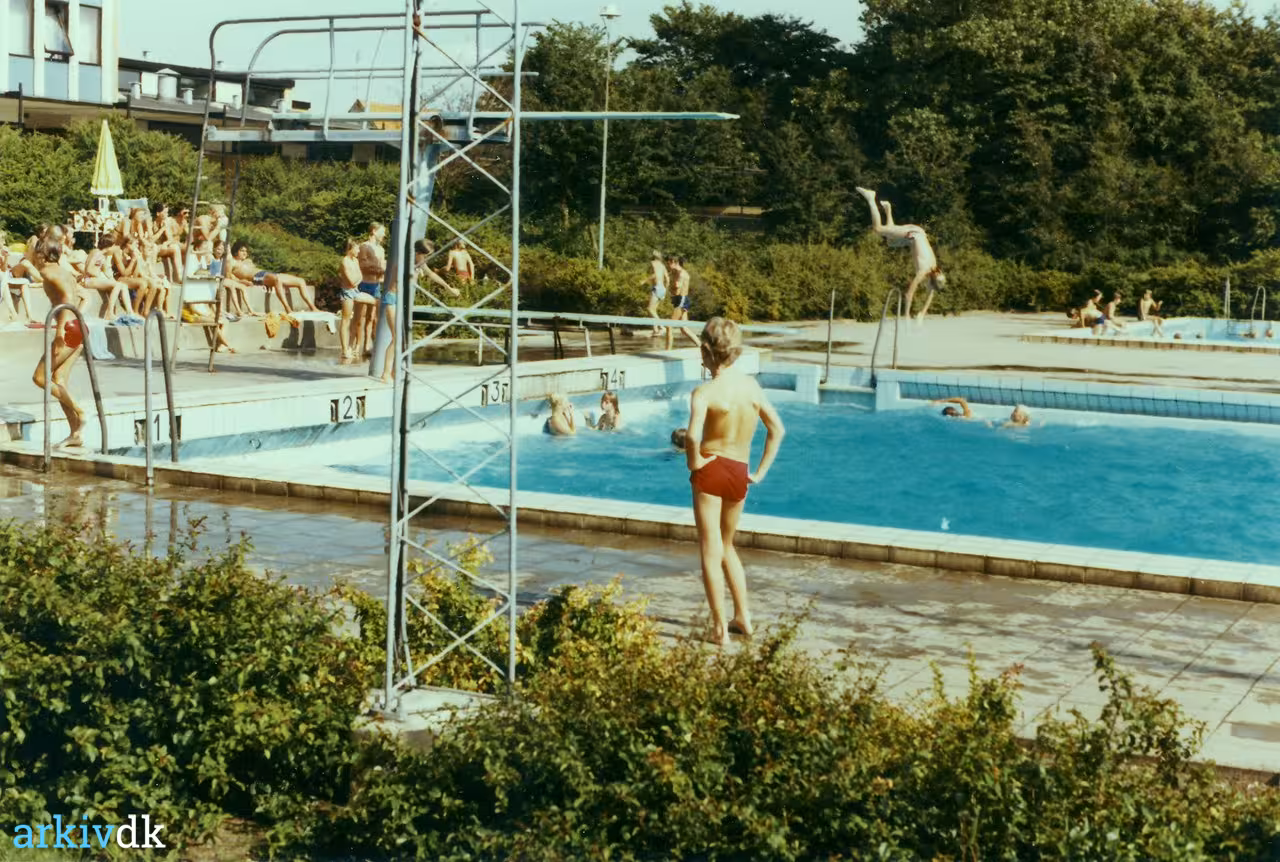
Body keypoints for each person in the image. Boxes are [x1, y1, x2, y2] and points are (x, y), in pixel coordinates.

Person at [685, 316, 785, 647]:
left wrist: (695, 461)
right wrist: (759, 472)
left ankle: (719, 628)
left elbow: (691, 435)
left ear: (705, 351)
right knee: (728, 547)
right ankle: (743, 617)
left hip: (712, 471)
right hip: (740, 473)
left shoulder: (705, 391)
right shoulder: (751, 387)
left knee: (710, 550)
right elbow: (777, 430)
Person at [855, 188, 947, 320]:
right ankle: (871, 198)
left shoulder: (934, 268)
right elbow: (909, 294)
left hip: (915, 236)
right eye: (930, 286)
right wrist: (907, 316)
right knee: (878, 229)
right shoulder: (923, 272)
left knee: (890, 242)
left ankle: (888, 209)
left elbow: (931, 294)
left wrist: (922, 313)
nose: (929, 289)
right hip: (913, 234)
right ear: (931, 280)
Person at [32, 238, 85, 448]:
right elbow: (81, 294)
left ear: (41, 254)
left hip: (69, 329)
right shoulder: (64, 271)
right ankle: (75, 434)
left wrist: (61, 327)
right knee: (58, 381)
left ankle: (80, 412)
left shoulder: (48, 272)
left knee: (39, 378)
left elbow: (67, 296)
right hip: (79, 327)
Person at [228, 241, 317, 312]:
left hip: (265, 274)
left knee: (300, 281)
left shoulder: (248, 261)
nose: (245, 253)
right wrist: (244, 282)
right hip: (256, 278)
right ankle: (287, 308)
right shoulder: (232, 262)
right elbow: (229, 277)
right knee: (277, 279)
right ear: (236, 251)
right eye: (242, 250)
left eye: (246, 251)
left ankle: (313, 308)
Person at [338, 238, 378, 364]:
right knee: (346, 320)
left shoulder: (355, 260)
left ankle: (353, 346)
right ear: (350, 249)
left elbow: (359, 278)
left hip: (356, 291)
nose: (359, 251)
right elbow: (351, 281)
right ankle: (345, 349)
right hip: (347, 292)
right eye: (357, 248)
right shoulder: (345, 261)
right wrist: (357, 279)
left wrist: (357, 279)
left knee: (358, 318)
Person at [665, 256, 699, 349]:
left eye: (668, 263)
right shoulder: (676, 272)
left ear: (673, 262)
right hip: (681, 300)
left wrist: (670, 287)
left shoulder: (681, 274)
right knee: (684, 328)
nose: (667, 266)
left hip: (681, 300)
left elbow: (676, 290)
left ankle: (667, 352)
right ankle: (701, 346)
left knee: (669, 326)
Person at [642, 250, 667, 337]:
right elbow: (667, 278)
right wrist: (665, 290)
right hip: (662, 288)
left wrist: (644, 281)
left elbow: (654, 275)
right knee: (653, 310)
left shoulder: (653, 263)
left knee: (649, 309)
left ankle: (662, 327)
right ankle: (655, 330)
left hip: (657, 287)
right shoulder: (663, 266)